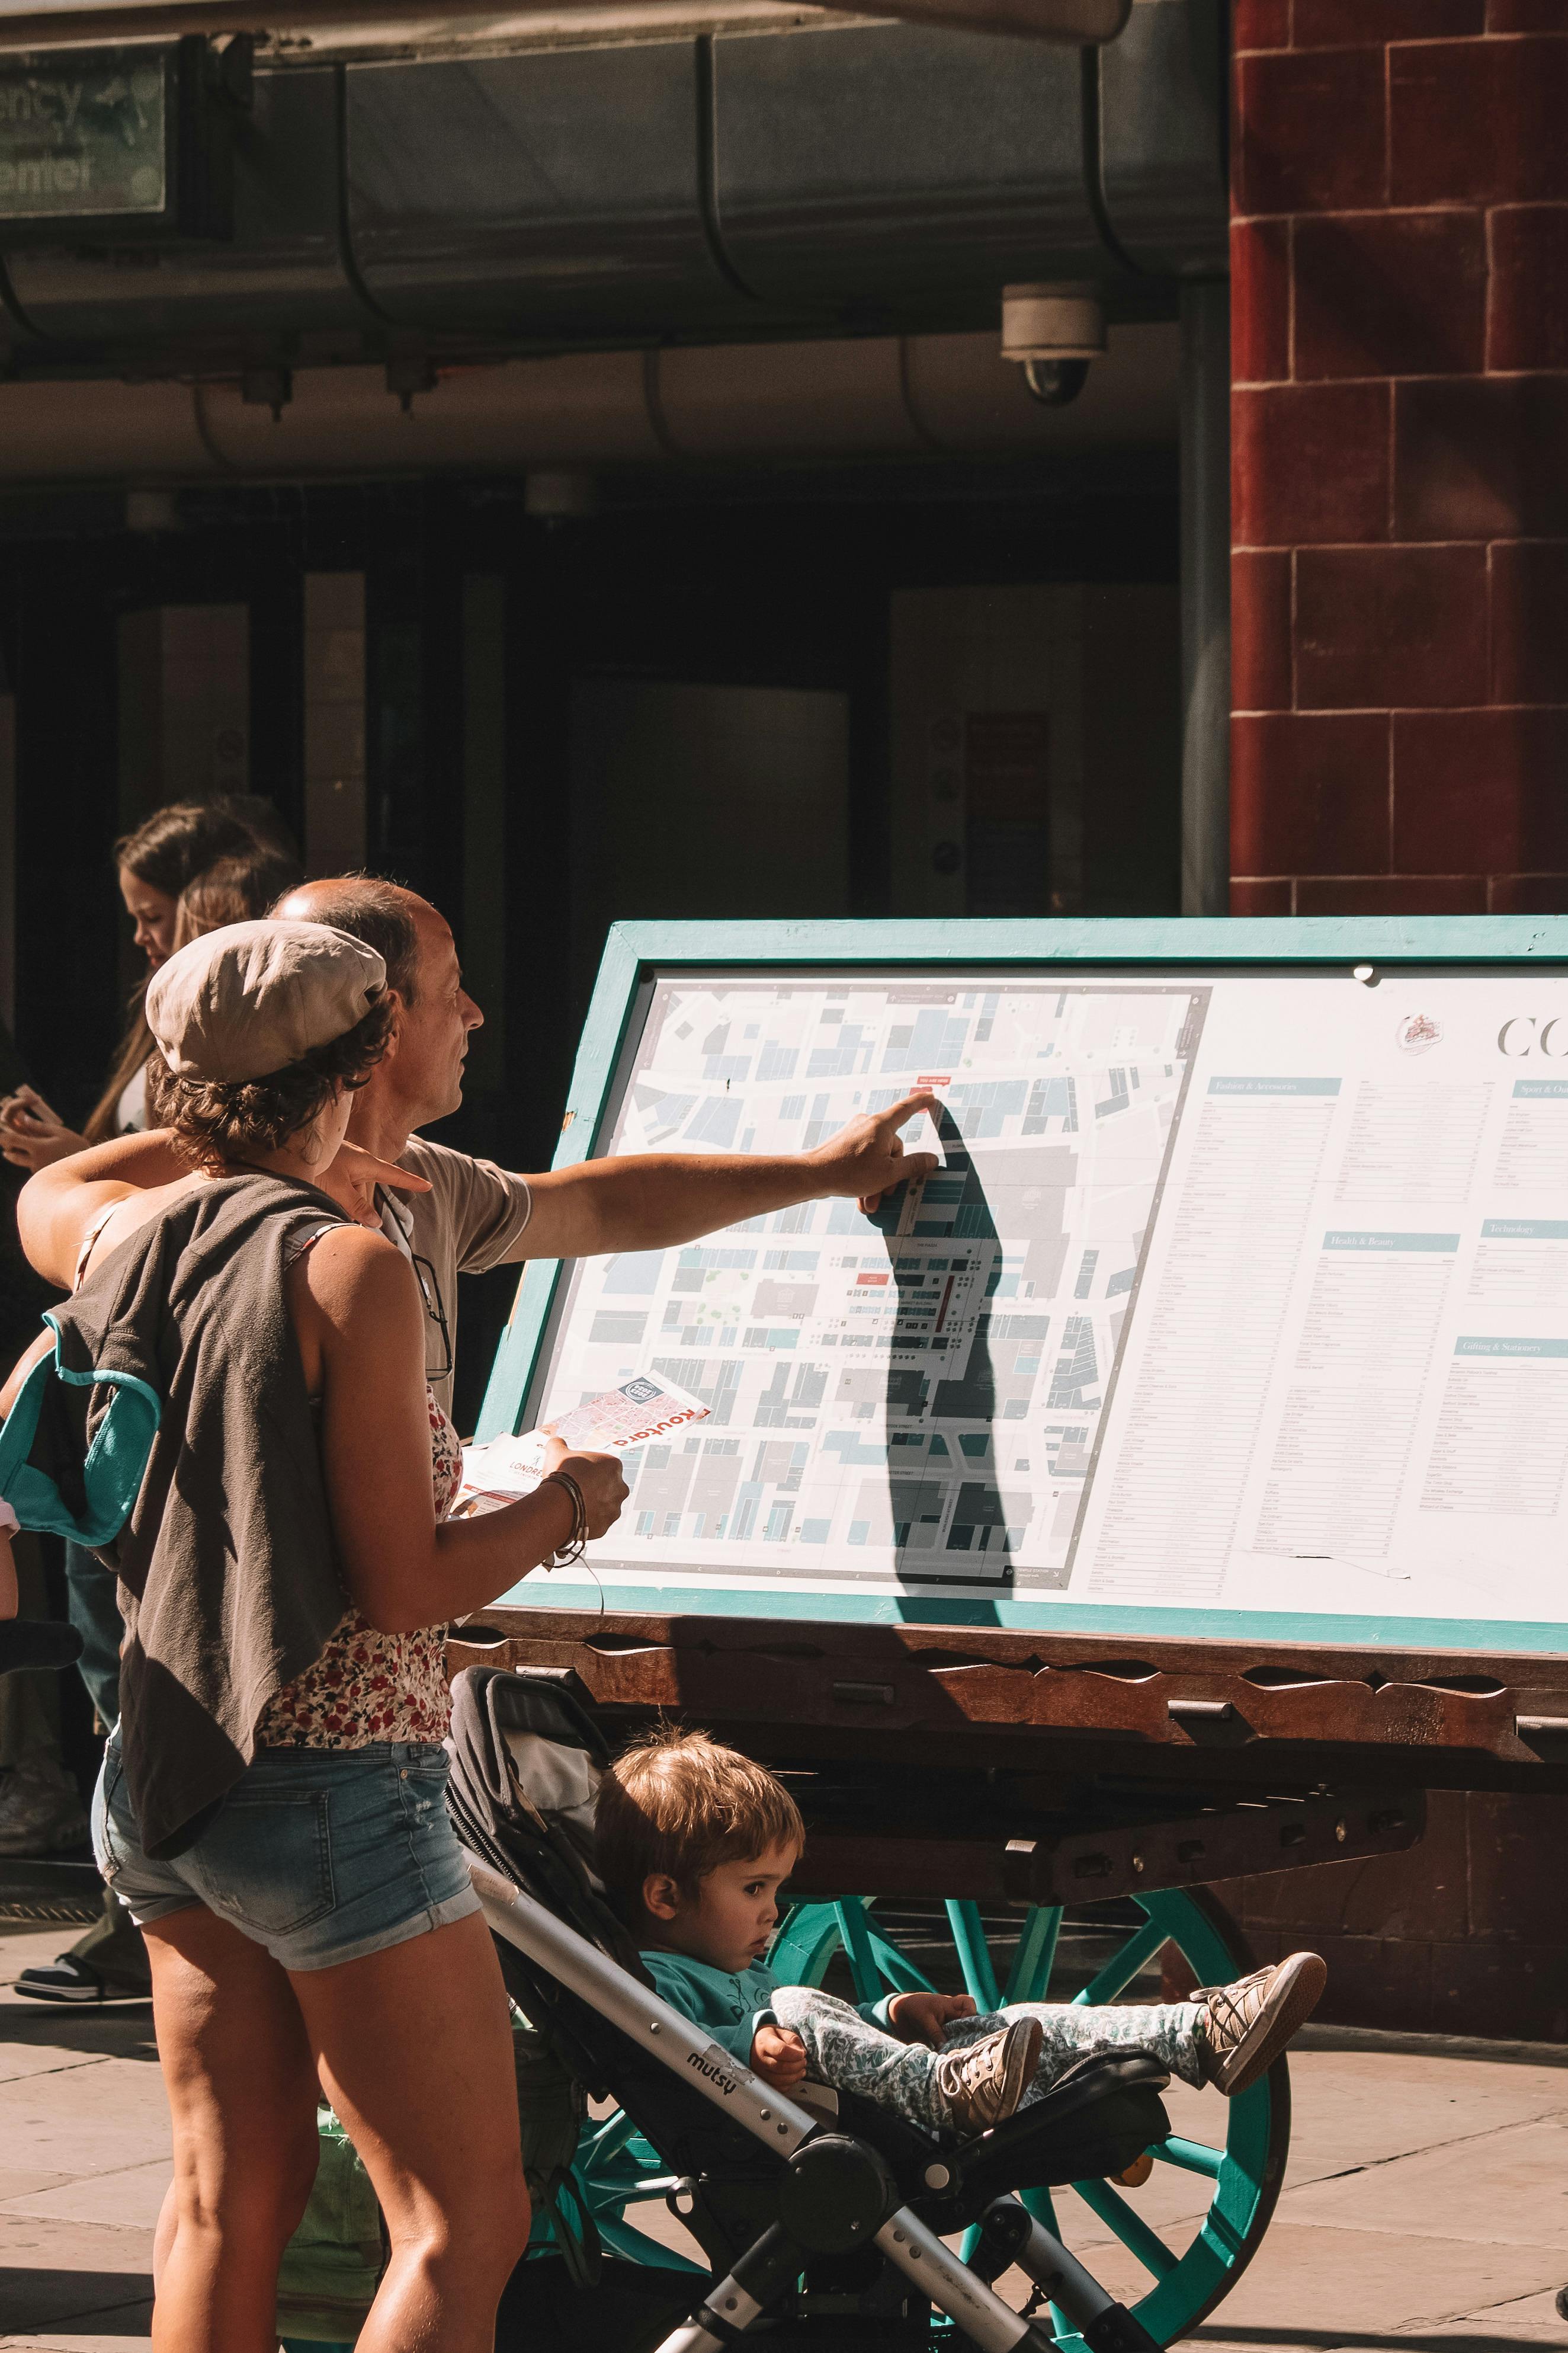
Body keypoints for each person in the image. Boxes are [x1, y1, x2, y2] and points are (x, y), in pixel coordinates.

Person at [23, 917, 631, 2353]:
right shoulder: (347, 1270)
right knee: (464, 2219)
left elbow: (53, 1192)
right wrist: (568, 1501)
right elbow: (407, 1587)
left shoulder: (122, 1236)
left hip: (164, 1772)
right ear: (363, 1059)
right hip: (337, 1779)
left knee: (230, 2197)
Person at [18, 877, 941, 1419]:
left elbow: (607, 1204)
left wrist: (823, 1171)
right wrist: (562, 1504)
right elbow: (52, 1201)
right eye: (451, 986)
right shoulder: (216, 1192)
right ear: (371, 1017)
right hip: (284, 1735)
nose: (475, 1015)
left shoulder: (428, 1184)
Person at [11, 822, 305, 1990]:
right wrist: (74, 1163)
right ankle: (149, 1890)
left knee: (142, 1638)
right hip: (128, 1364)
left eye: (160, 920)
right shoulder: (177, 1037)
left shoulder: (251, 1075)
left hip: (163, 1376)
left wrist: (73, 1164)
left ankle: (157, 1894)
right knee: (117, 1640)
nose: (143, 941)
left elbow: (188, 1198)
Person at [597, 1725, 1330, 2139]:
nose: (773, 1911)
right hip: (827, 2130)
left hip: (867, 2100)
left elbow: (834, 2037)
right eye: (754, 1888)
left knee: (1014, 2019)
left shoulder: (733, 1963)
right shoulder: (651, 1984)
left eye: (776, 1888)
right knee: (791, 2004)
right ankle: (939, 2090)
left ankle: (1196, 2032)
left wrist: (889, 2016)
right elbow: (665, 2059)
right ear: (664, 1895)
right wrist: (745, 2049)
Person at [0, 798, 300, 1171]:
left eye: (153, 917)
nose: (140, 938)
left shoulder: (236, 1038)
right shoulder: (162, 1008)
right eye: (135, 920)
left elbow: (196, 1180)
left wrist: (78, 1162)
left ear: (207, 909)